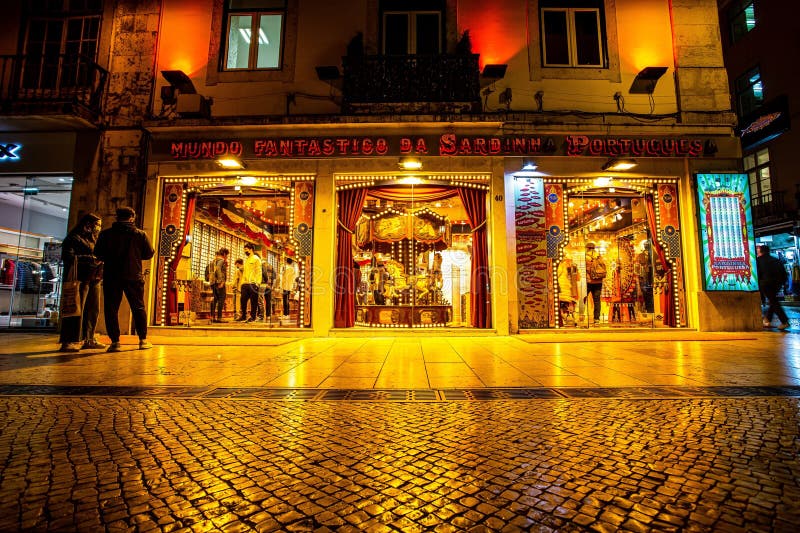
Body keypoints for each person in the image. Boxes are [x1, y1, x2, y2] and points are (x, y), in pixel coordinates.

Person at [93, 206, 155, 352]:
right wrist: (135, 255)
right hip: (133, 275)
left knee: (111, 309)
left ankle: (115, 342)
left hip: (112, 275)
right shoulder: (140, 234)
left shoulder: (106, 234)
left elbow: (98, 253)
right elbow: (149, 253)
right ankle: (143, 340)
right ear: (132, 217)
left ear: (117, 217)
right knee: (138, 307)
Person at [58, 213, 105, 352]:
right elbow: (68, 256)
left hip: (94, 278)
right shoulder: (73, 238)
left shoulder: (93, 239)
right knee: (75, 310)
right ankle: (68, 340)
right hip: (79, 279)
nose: (99, 228)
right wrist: (91, 259)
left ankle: (89, 338)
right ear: (88, 224)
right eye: (97, 225)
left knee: (92, 310)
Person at [757, 244, 789, 330]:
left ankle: (784, 321)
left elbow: (758, 274)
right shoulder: (776, 260)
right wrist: (782, 283)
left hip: (766, 284)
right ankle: (767, 319)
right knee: (773, 300)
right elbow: (784, 273)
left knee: (774, 302)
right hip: (777, 284)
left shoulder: (758, 260)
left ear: (761, 251)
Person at [237, 243, 261, 323]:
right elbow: (245, 272)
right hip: (245, 284)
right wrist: (242, 283)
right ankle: (243, 316)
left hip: (253, 283)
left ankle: (253, 317)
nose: (245, 251)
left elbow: (259, 271)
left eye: (246, 249)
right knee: (243, 301)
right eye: (244, 250)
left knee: (254, 302)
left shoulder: (256, 259)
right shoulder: (247, 260)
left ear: (251, 249)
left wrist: (257, 283)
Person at [585, 242, 607, 325]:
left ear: (587, 248)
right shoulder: (599, 256)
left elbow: (585, 269)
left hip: (589, 281)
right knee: (597, 301)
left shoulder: (586, 257)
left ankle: (580, 316)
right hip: (598, 281)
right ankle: (596, 319)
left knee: (583, 298)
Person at [206, 248, 229, 323]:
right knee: (221, 298)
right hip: (218, 282)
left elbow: (207, 271)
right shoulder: (221, 261)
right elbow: (218, 269)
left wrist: (210, 280)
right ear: (224, 254)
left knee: (215, 299)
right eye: (227, 255)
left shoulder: (213, 261)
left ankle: (212, 317)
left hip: (213, 282)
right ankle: (219, 317)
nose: (227, 257)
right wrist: (220, 281)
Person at [258, 258, 275, 322]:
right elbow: (274, 277)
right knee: (268, 301)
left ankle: (260, 315)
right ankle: (268, 315)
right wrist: (272, 285)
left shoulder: (261, 265)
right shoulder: (272, 267)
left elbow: (264, 274)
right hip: (269, 286)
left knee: (260, 300)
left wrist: (265, 281)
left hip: (263, 284)